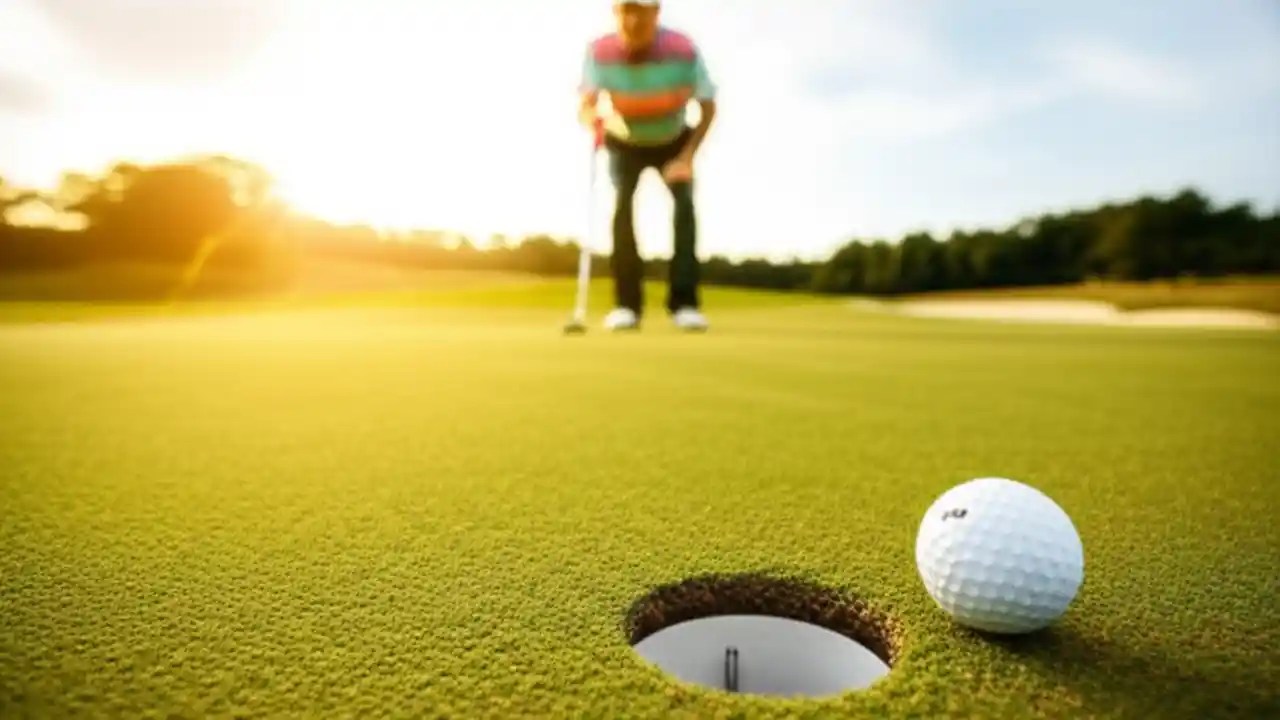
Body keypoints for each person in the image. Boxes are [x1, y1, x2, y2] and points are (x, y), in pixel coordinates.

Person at [578, 0, 717, 331]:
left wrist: (686, 158)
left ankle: (684, 304)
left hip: (673, 140)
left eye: (640, 11)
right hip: (623, 139)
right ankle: (627, 305)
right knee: (621, 206)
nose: (632, 19)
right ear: (615, 13)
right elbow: (586, 105)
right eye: (625, 10)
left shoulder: (682, 50)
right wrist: (591, 120)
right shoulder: (599, 51)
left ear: (656, 13)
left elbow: (708, 107)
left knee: (684, 209)